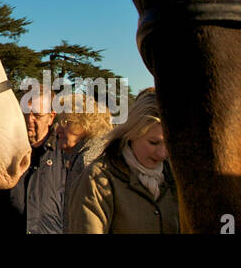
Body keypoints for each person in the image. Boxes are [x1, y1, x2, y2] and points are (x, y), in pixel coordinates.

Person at [66, 88, 180, 233]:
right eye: (153, 143)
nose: (162, 153)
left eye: (168, 144)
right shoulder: (97, 180)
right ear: (132, 133)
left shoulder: (173, 180)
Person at [0, 87, 65, 234]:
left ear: (51, 117)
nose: (29, 119)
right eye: (25, 113)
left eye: (37, 115)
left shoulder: (65, 155)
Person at [57, 91, 113, 206]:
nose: (58, 130)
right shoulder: (84, 154)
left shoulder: (86, 161)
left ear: (86, 125)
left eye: (65, 123)